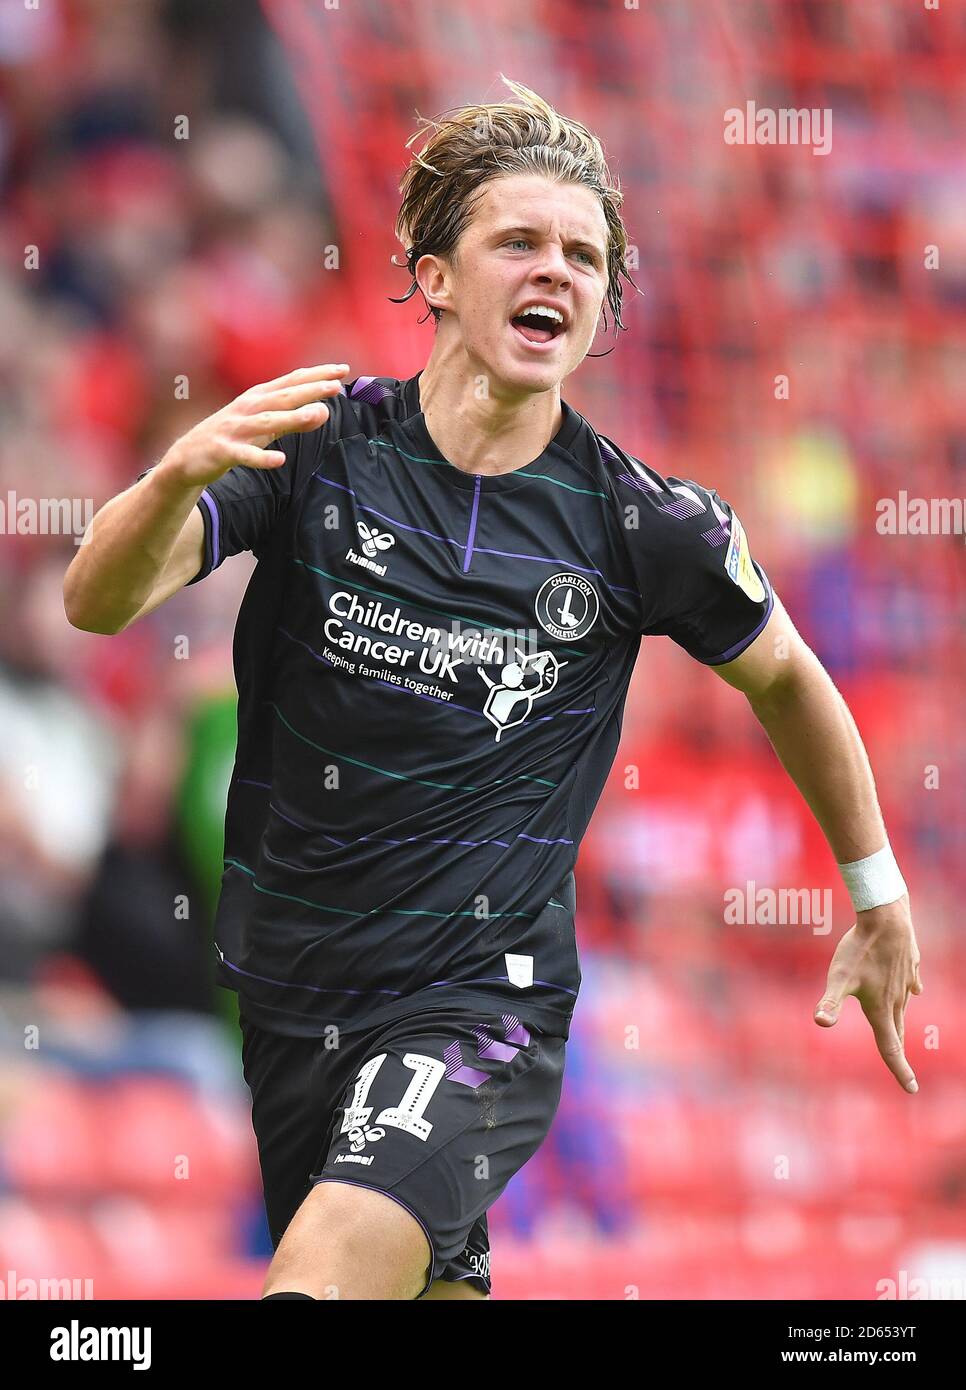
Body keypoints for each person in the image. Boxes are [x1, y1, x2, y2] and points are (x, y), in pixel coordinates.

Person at [63, 77, 922, 1301]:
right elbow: (93, 602)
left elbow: (787, 675)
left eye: (584, 255)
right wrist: (168, 478)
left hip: (480, 1003)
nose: (556, 272)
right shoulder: (314, 446)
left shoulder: (644, 525)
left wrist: (876, 893)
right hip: (295, 989)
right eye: (518, 241)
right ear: (436, 277)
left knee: (310, 1282)